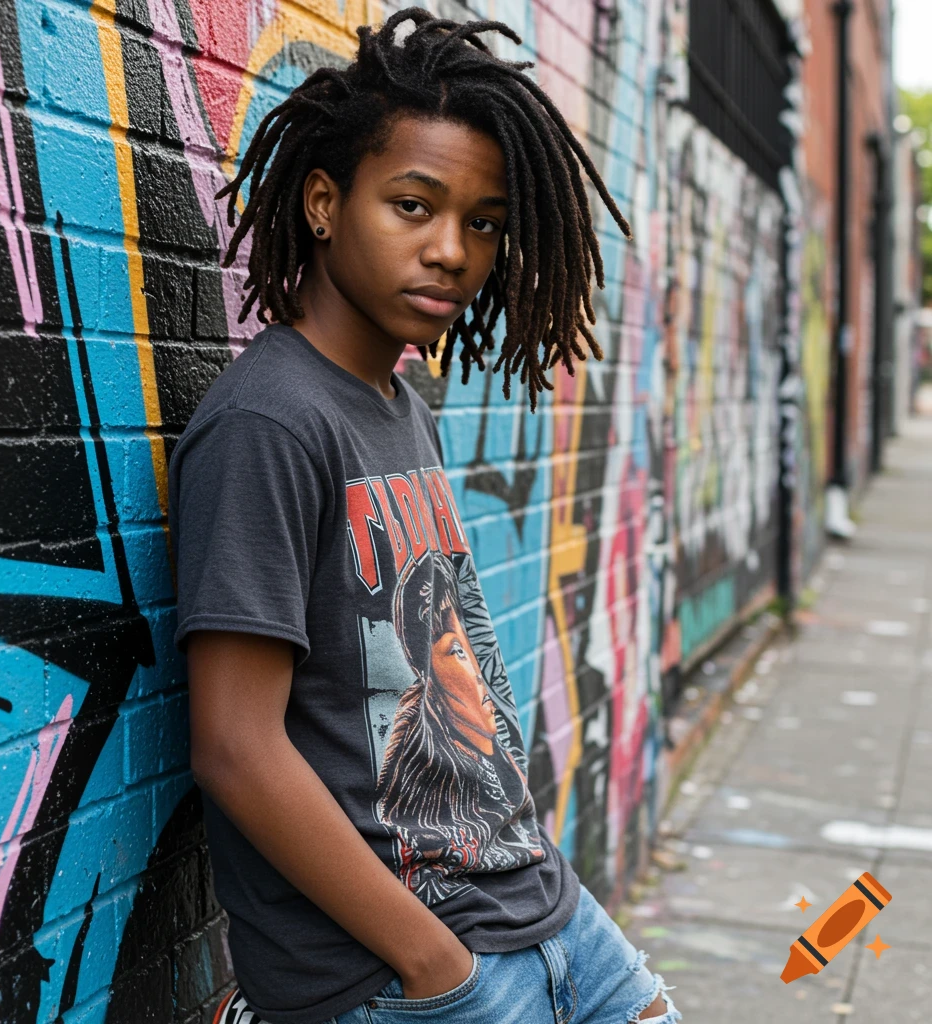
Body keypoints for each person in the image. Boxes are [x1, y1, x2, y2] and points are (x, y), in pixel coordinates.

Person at [168, 8, 683, 1024]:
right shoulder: (271, 422)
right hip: (407, 969)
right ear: (324, 202)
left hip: (540, 912)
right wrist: (432, 963)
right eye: (413, 205)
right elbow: (234, 743)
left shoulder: (397, 404)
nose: (451, 250)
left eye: (482, 222)